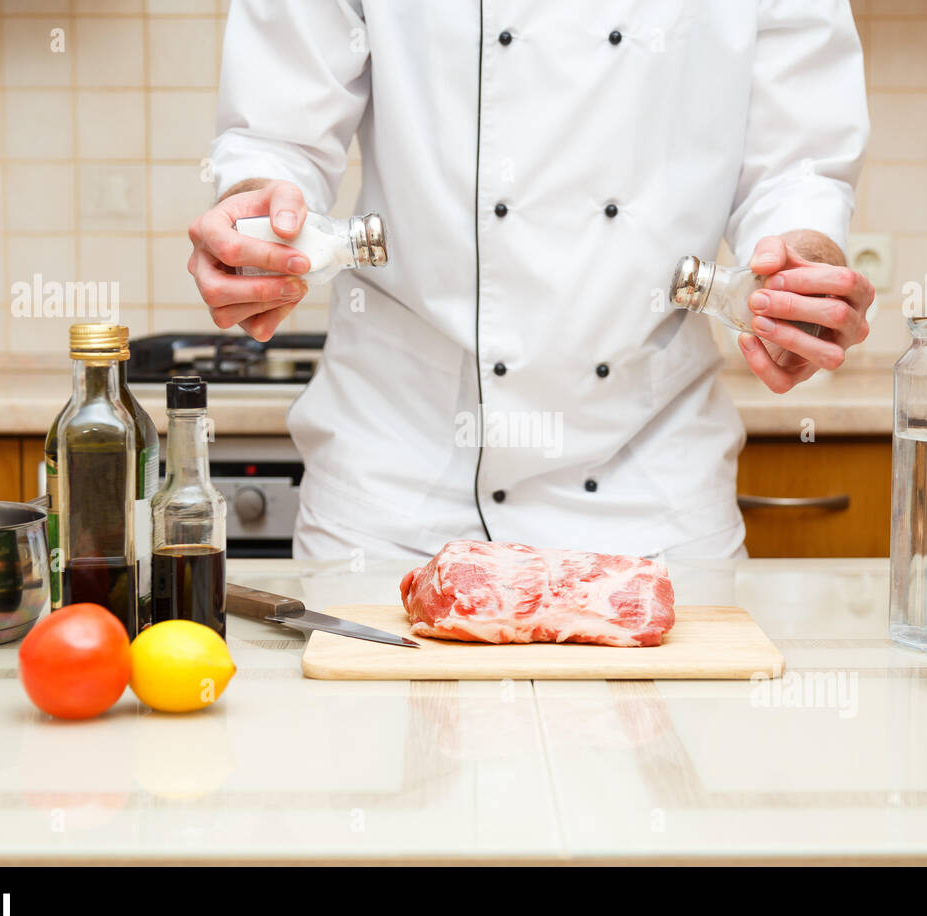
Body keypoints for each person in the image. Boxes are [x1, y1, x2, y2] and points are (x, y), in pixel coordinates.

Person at [187, 1, 873, 560]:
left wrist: (799, 274)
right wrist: (258, 217)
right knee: (373, 733)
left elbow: (798, 166)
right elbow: (278, 137)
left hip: (651, 495)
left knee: (677, 734)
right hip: (397, 485)